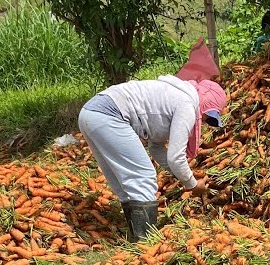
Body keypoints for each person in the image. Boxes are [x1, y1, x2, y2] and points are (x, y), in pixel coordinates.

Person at [79, 76, 229, 242]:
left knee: (121, 180)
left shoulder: (175, 95)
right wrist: (192, 184)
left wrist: (181, 174)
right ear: (206, 105)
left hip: (90, 114)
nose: (207, 122)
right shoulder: (187, 105)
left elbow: (156, 147)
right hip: (109, 114)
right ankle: (145, 242)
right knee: (143, 176)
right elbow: (176, 158)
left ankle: (135, 235)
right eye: (209, 117)